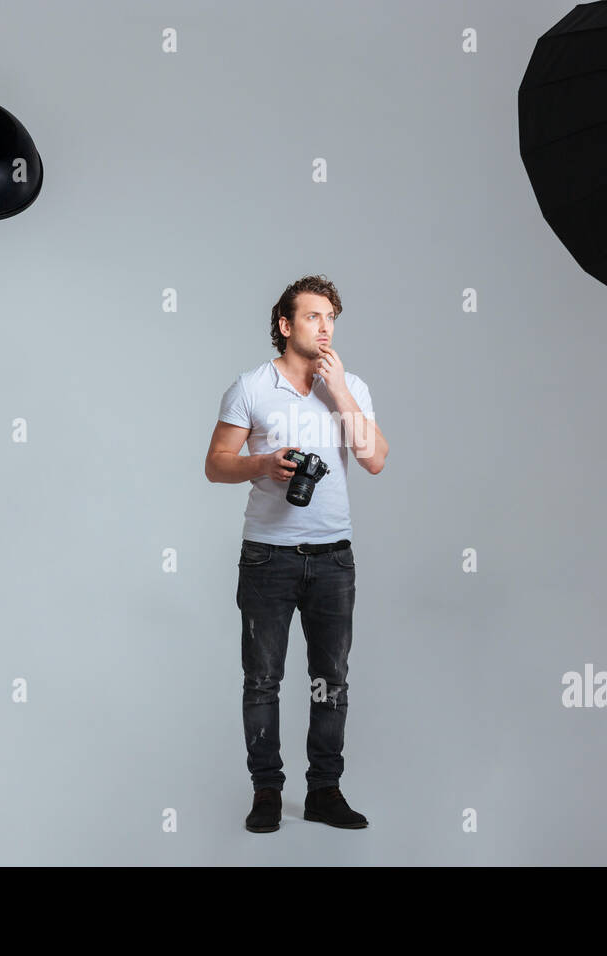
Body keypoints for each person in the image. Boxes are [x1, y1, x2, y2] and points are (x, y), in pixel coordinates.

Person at [204, 274, 389, 833]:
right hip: (268, 556)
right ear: (286, 326)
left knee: (330, 678)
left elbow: (376, 458)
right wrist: (263, 464)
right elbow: (215, 464)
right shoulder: (251, 387)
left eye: (331, 317)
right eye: (314, 316)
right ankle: (266, 792)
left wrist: (341, 396)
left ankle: (323, 792)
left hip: (334, 557)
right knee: (262, 679)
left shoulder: (350, 385)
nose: (326, 326)